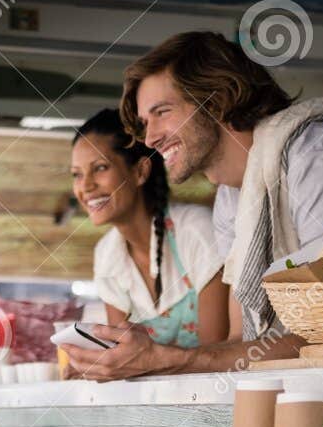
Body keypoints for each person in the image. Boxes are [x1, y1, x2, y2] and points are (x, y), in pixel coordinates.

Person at [65, 30, 323, 382]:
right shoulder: (234, 197)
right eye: (146, 122)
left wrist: (170, 360)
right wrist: (152, 362)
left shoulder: (318, 155)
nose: (150, 137)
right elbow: (241, 341)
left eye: (162, 112)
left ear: (218, 99)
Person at [72, 109, 227, 350]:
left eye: (100, 168)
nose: (86, 185)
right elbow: (121, 353)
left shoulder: (196, 230)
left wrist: (144, 359)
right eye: (76, 175)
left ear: (140, 171)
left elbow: (215, 350)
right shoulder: (106, 254)